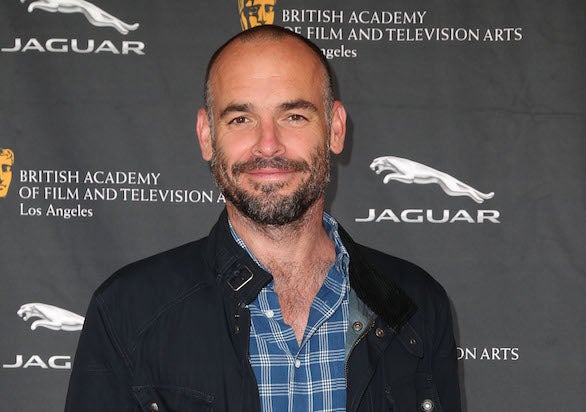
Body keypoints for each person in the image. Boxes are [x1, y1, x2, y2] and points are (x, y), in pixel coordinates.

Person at [65, 25, 461, 411]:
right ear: (206, 135)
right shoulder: (127, 310)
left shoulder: (414, 304)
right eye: (241, 119)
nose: (268, 145)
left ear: (335, 128)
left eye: (294, 116)